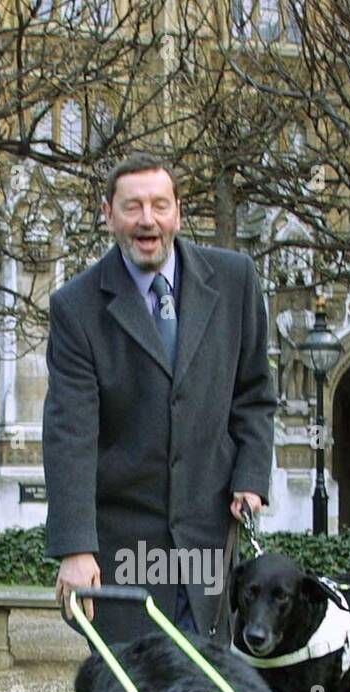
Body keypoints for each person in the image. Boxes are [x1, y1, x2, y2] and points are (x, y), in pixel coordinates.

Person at [43, 151, 276, 645]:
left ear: (178, 211)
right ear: (108, 214)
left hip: (209, 538)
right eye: (132, 207)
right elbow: (70, 433)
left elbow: (254, 394)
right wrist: (75, 548)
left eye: (159, 205)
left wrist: (251, 477)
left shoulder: (235, 280)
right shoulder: (76, 307)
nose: (147, 220)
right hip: (123, 546)